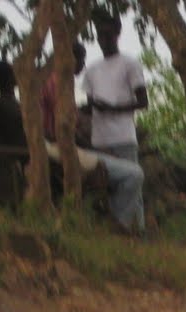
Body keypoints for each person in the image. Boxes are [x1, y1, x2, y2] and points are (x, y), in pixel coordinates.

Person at [43, 42, 146, 235]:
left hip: (66, 144)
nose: (83, 65)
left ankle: (123, 227)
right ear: (69, 59)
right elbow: (65, 132)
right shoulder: (57, 83)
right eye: (81, 59)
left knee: (118, 175)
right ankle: (121, 227)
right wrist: (95, 149)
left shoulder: (48, 80)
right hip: (61, 147)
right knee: (134, 174)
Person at [83, 15, 148, 164]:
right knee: (103, 185)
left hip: (123, 138)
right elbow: (90, 104)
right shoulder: (91, 70)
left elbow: (143, 102)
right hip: (99, 141)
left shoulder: (130, 64)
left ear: (117, 34)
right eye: (100, 36)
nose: (103, 40)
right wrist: (85, 109)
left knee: (130, 181)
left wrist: (112, 108)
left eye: (108, 35)